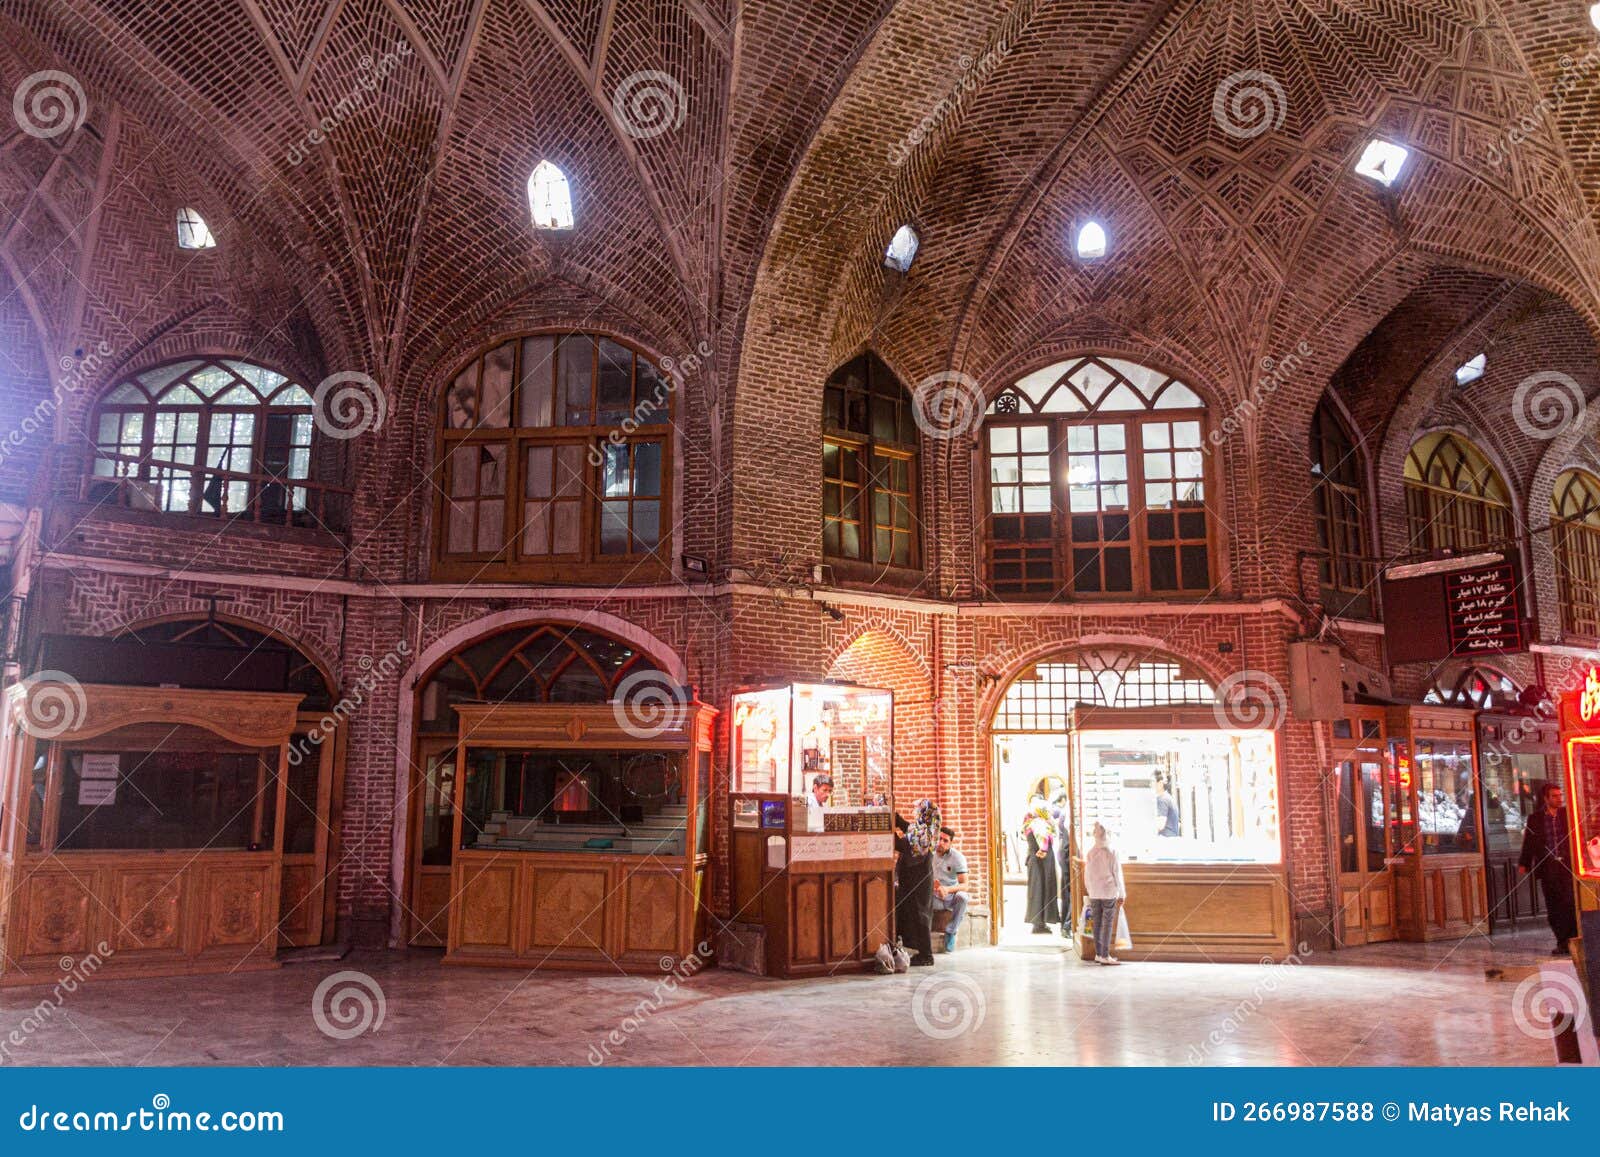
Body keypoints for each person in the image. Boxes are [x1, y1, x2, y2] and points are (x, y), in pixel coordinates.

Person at [1519, 782, 1578, 956]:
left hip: (1567, 866)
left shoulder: (1567, 814)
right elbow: (1529, 842)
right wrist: (1525, 862)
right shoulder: (1535, 819)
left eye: (1560, 795)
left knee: (1569, 903)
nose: (1559, 799)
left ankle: (1573, 939)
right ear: (1546, 798)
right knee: (1554, 906)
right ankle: (1562, 941)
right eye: (1554, 796)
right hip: (1548, 866)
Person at [894, 799, 940, 966]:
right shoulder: (923, 828)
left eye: (917, 809)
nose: (914, 812)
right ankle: (920, 952)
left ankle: (926, 955)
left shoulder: (925, 833)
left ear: (924, 814)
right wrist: (897, 820)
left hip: (919, 881)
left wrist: (887, 829)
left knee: (920, 916)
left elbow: (902, 845)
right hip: (913, 879)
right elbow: (909, 830)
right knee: (911, 914)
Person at [1084, 822, 1126, 965]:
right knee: (1107, 924)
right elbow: (1117, 873)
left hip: (1094, 892)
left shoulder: (1090, 852)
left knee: (1096, 923)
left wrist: (1089, 890)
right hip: (1108, 892)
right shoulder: (1112, 851)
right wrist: (1122, 893)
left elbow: (1087, 875)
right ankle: (1105, 954)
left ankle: (1098, 953)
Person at [1022, 795, 1059, 934]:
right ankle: (1038, 923)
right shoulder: (1036, 823)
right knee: (1039, 889)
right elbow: (1044, 840)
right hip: (1039, 858)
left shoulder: (1031, 822)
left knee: (1041, 889)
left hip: (1039, 858)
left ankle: (1040, 922)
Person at [930, 826, 969, 952]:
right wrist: (933, 887)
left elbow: (965, 885)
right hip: (934, 896)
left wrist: (947, 889)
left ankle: (951, 932)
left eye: (945, 840)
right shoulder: (929, 854)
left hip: (950, 896)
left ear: (951, 843)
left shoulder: (958, 858)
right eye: (939, 839)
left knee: (962, 897)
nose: (941, 842)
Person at [1050, 790, 1074, 936]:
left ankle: (1065, 926)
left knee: (1066, 891)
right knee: (1070, 891)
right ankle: (1067, 925)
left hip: (1063, 852)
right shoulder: (1069, 812)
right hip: (1067, 853)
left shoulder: (1065, 811)